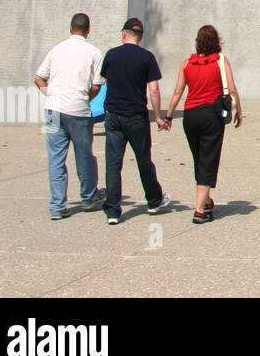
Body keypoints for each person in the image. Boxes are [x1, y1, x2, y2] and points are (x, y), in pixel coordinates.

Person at [161, 25, 242, 224]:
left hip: (190, 116)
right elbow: (232, 88)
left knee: (199, 157)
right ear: (217, 41)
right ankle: (199, 210)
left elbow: (178, 93)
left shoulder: (187, 63)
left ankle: (206, 201)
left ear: (197, 41)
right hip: (211, 115)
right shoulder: (221, 62)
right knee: (208, 159)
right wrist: (239, 111)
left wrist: (169, 116)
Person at [33, 13, 105, 219]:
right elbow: (97, 85)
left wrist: (51, 93)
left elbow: (38, 78)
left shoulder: (56, 49)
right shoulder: (93, 52)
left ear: (70, 28)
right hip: (78, 111)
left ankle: (57, 206)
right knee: (84, 155)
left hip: (53, 109)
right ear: (88, 30)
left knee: (56, 157)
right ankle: (88, 197)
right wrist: (85, 98)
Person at [100, 18, 170, 224]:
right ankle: (153, 200)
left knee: (113, 164)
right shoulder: (147, 57)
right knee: (143, 160)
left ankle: (113, 211)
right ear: (140, 36)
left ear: (124, 34)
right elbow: (154, 89)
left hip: (113, 116)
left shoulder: (111, 55)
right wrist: (157, 116)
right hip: (136, 116)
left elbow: (106, 81)